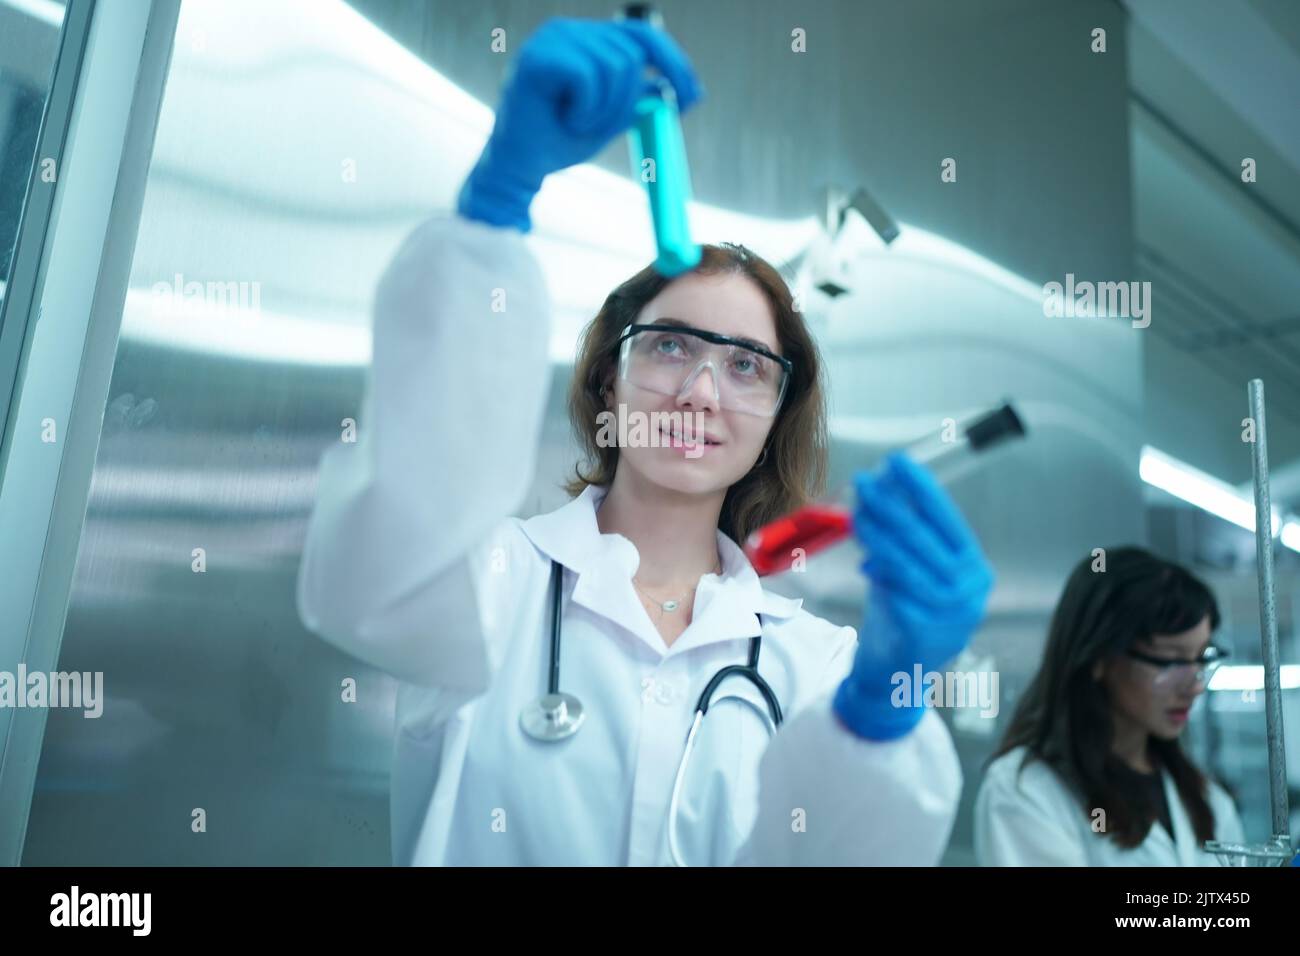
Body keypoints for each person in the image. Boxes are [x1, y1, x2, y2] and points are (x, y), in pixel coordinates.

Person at [297, 17, 993, 866]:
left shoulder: (822, 664)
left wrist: (883, 713)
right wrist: (492, 214)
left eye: (746, 366)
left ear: (777, 417)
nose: (701, 391)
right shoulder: (487, 584)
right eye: (670, 346)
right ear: (607, 381)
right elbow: (373, 570)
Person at [974, 547, 1245, 866]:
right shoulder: (1026, 792)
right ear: (1100, 658)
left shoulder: (1205, 799)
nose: (1195, 685)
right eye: (1171, 661)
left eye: (1201, 658)